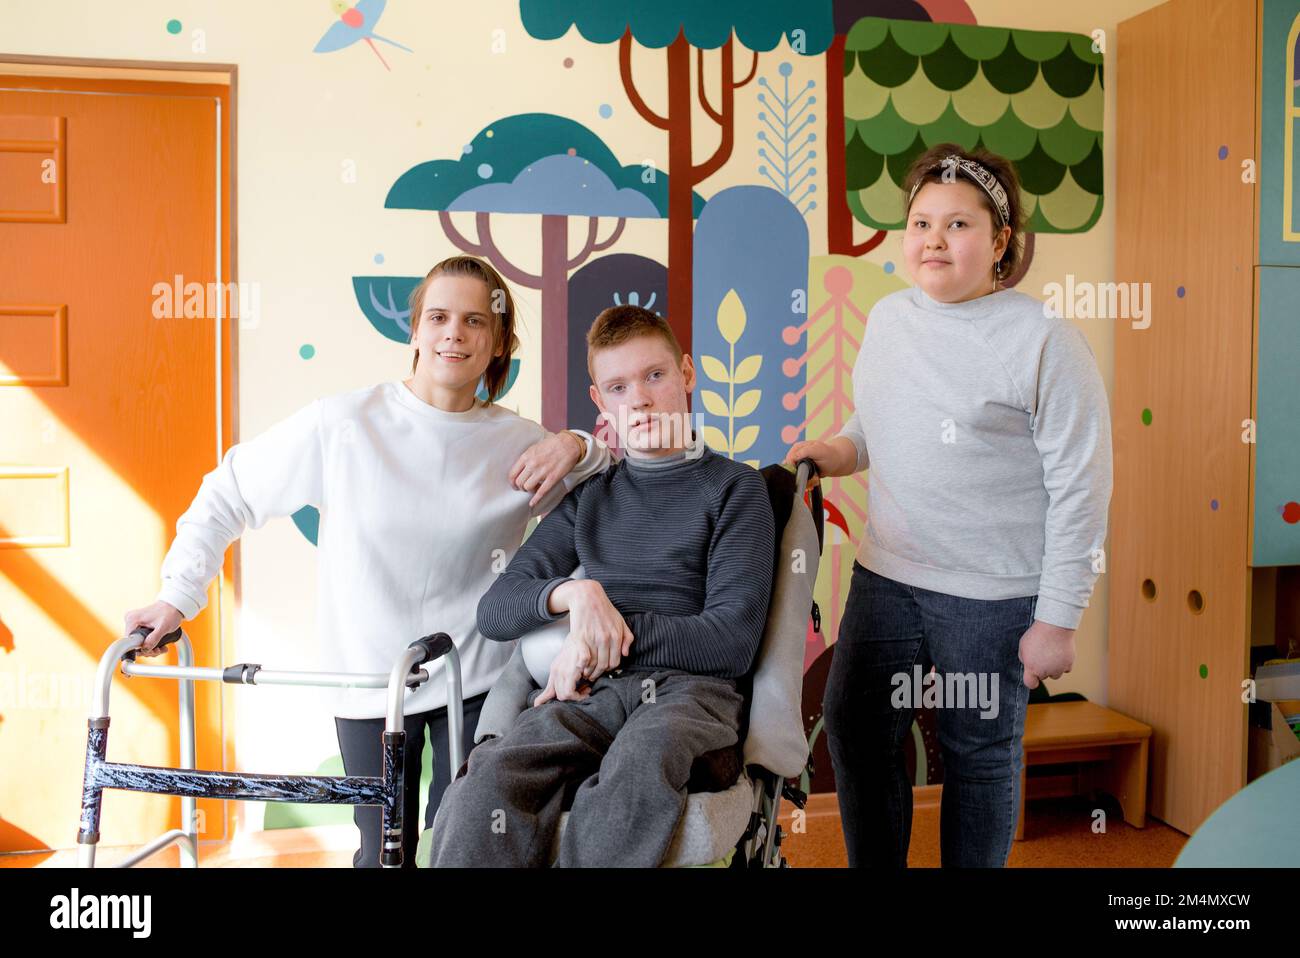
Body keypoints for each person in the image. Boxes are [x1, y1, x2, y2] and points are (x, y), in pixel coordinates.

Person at [123, 255, 610, 867]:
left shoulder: (521, 444)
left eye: (473, 321)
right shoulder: (345, 424)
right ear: (414, 332)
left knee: (466, 838)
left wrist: (577, 443)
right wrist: (178, 595)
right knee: (384, 850)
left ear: (497, 343)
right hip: (369, 677)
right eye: (437, 317)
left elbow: (617, 489)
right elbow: (231, 491)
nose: (453, 333)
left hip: (476, 674)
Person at [785, 144, 1112, 867]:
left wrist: (1058, 619)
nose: (933, 238)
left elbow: (1082, 487)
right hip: (888, 578)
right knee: (856, 725)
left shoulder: (1045, 342)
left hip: (991, 597)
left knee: (978, 753)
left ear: (1000, 242)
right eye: (922, 221)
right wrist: (834, 452)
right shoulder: (892, 319)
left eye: (958, 224)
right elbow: (874, 428)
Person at [428, 304, 776, 867]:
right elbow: (496, 613)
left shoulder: (736, 490)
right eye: (618, 386)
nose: (638, 399)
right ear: (600, 402)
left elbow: (729, 641)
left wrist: (594, 641)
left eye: (654, 376)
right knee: (490, 777)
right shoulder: (589, 499)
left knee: (641, 759)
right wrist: (573, 596)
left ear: (686, 374)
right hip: (594, 694)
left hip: (694, 697)